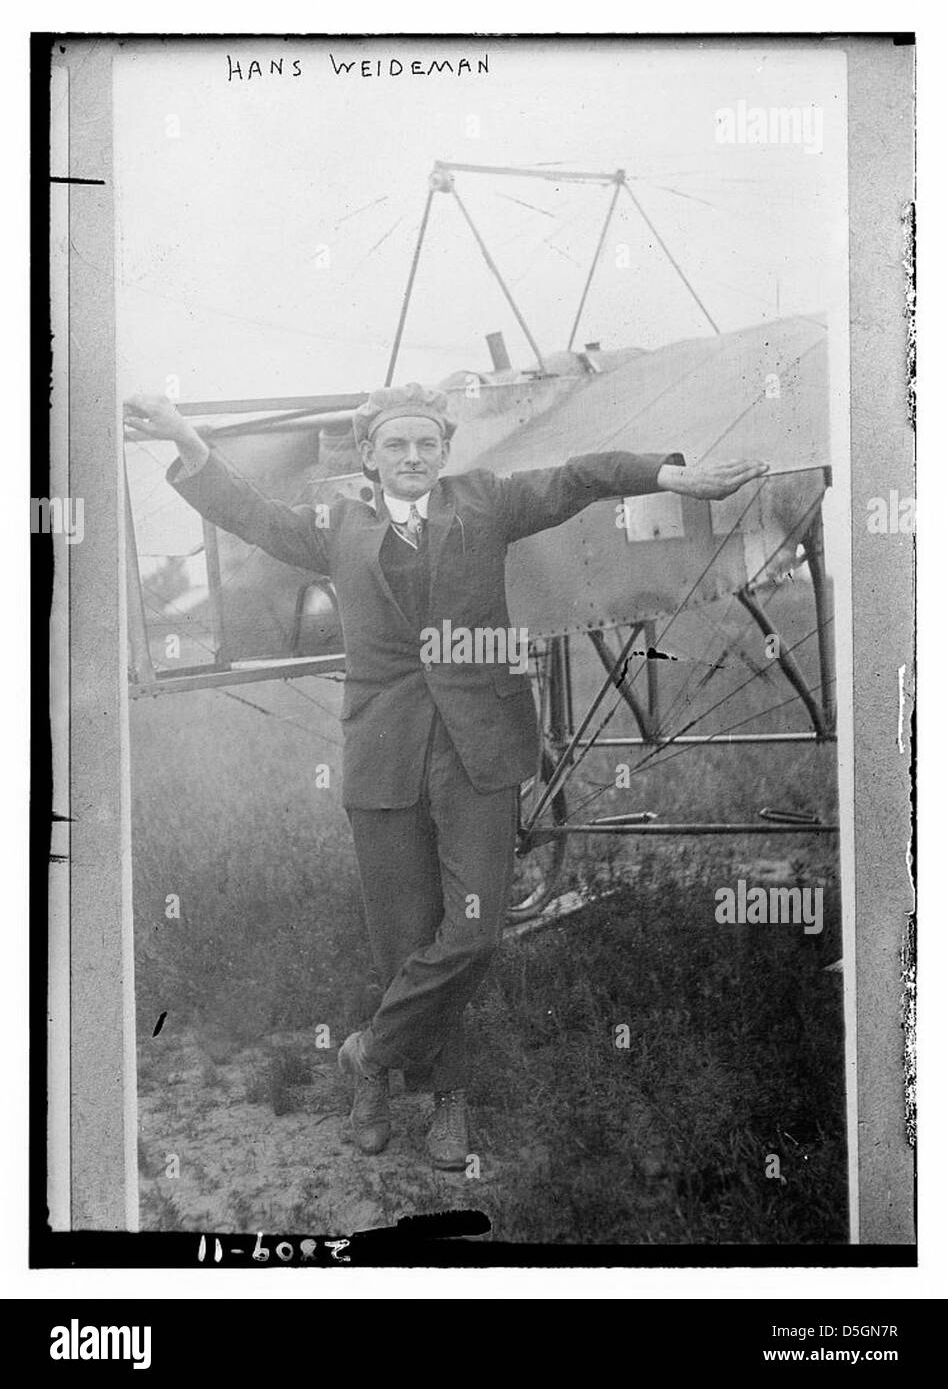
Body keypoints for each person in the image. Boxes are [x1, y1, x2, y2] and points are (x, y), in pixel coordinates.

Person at [124, 383, 767, 1170]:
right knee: (403, 933)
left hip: (481, 746)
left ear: (446, 450)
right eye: (396, 445)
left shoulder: (487, 502)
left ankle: (370, 1053)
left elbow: (577, 479)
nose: (413, 457)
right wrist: (185, 435)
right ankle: (434, 1097)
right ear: (368, 455)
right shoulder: (338, 528)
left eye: (427, 444)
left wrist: (668, 477)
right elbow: (248, 512)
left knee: (472, 930)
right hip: (386, 750)